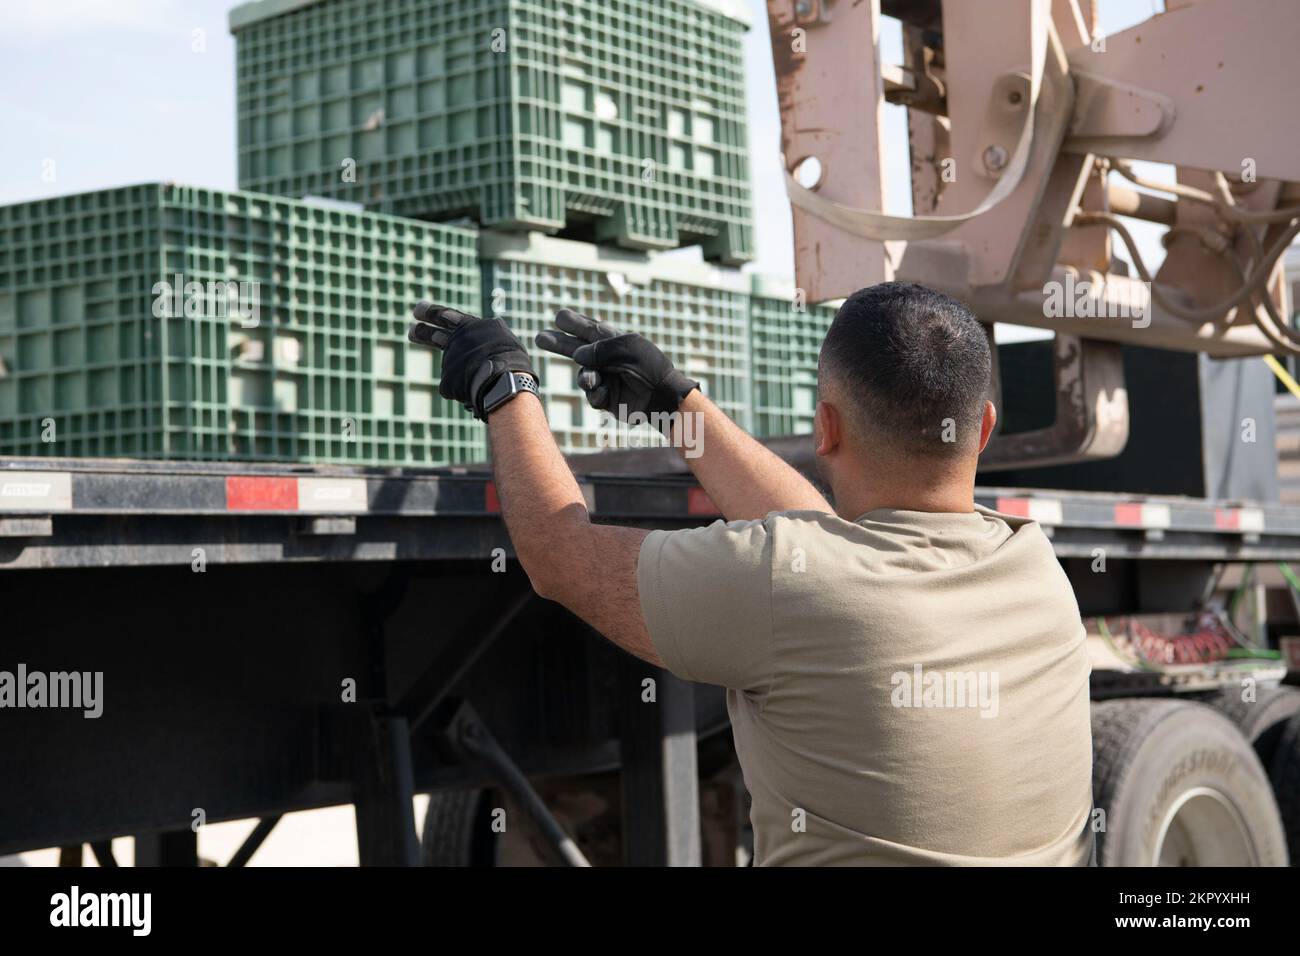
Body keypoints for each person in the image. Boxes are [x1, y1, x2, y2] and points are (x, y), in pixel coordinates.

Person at [408, 281, 1094, 866]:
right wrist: (676, 406)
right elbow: (827, 550)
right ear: (983, 429)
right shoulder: (1035, 568)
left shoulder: (793, 588)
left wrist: (505, 386)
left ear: (825, 429)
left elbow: (559, 556)